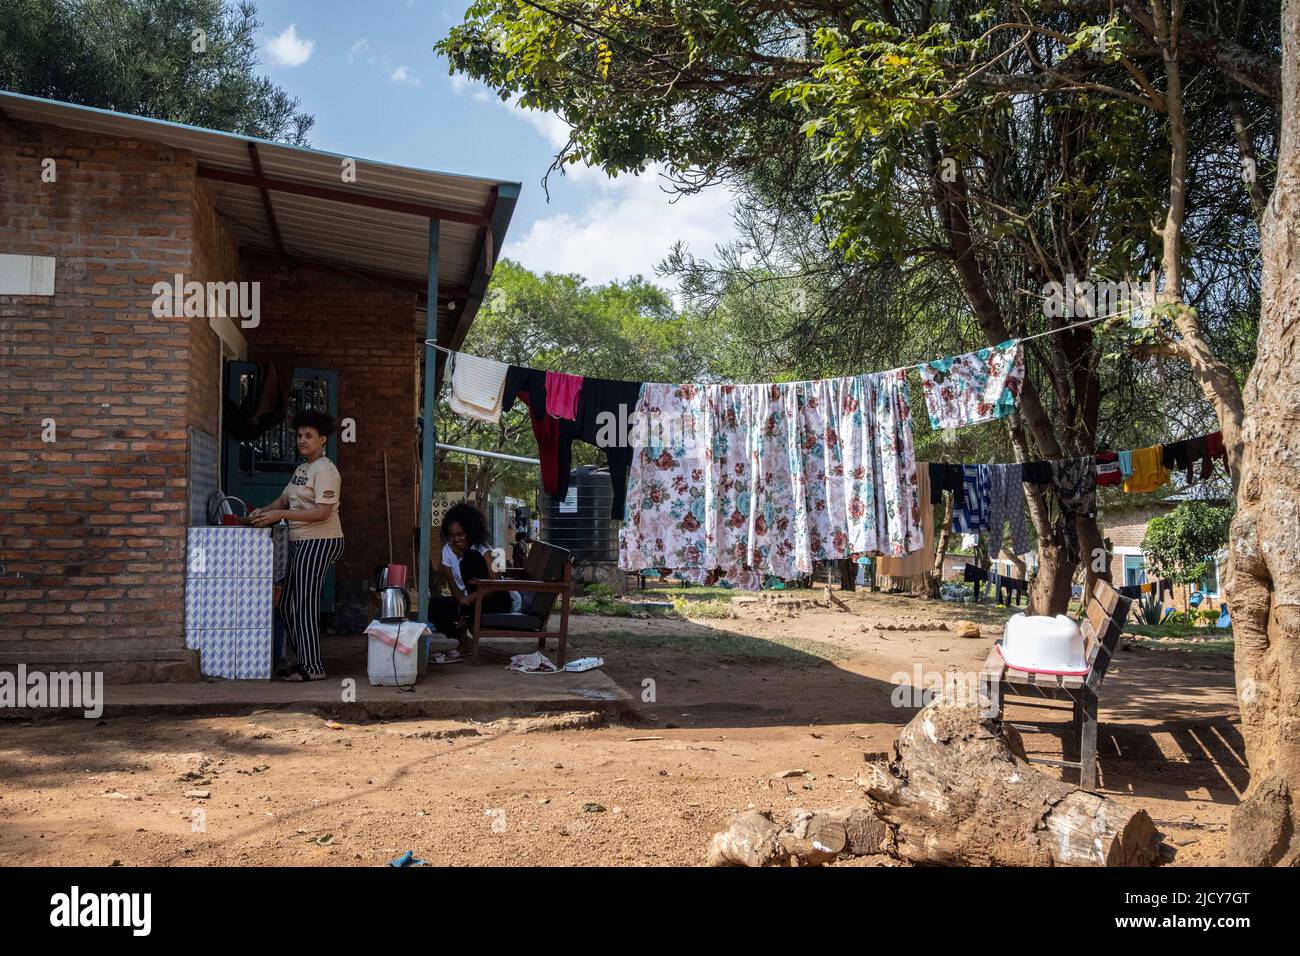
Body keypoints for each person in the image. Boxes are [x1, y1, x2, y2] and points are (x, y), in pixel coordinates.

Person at [249, 410, 344, 681]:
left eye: (309, 436)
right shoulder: (302, 470)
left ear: (322, 439)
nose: (303, 440)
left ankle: (313, 668)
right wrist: (262, 511)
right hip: (302, 542)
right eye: (300, 435)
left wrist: (281, 516)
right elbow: (283, 501)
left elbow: (322, 513)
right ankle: (303, 659)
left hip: (320, 540)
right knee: (288, 603)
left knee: (304, 603)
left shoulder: (325, 470)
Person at [431, 502, 516, 654]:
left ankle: (467, 616)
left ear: (469, 532)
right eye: (451, 535)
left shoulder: (482, 548)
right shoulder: (447, 551)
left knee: (470, 558)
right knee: (431, 607)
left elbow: (497, 585)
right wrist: (462, 600)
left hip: (494, 600)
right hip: (468, 602)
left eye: (460, 534)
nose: (456, 539)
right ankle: (463, 640)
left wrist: (469, 599)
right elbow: (453, 587)